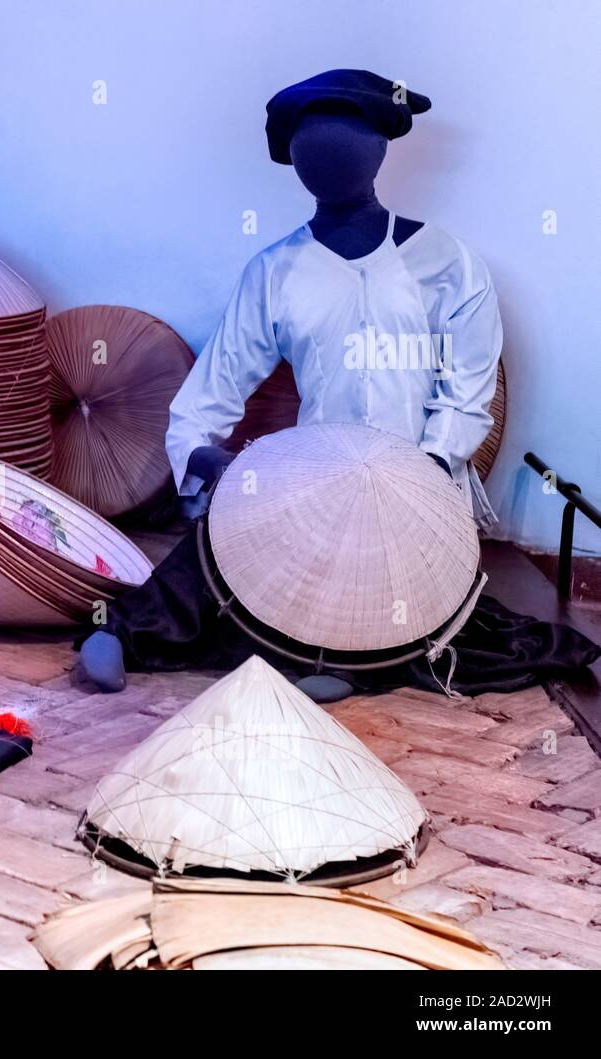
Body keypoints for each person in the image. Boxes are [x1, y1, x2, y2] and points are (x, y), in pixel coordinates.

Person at [80, 70, 598, 698]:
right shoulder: (274, 271)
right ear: (295, 164)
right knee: (220, 546)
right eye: (311, 151)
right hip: (314, 479)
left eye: (344, 144)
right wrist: (206, 456)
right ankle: (130, 632)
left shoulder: (450, 265)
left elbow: (468, 395)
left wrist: (420, 474)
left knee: (401, 594)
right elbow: (211, 389)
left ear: (379, 152)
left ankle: (345, 663)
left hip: (422, 480)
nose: (325, 162)